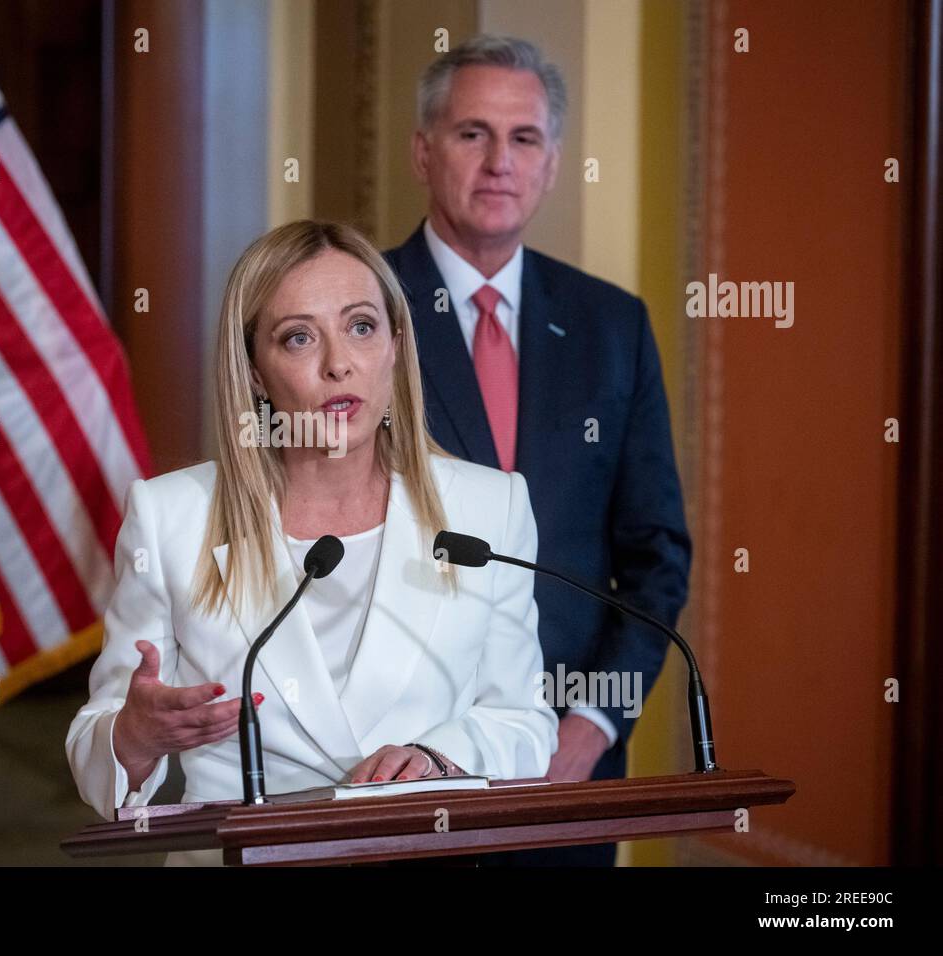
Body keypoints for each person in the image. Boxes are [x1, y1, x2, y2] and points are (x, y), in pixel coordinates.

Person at [66, 220, 558, 866]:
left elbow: (523, 722)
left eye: (361, 326)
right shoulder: (171, 517)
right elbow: (99, 757)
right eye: (298, 337)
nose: (338, 362)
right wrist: (134, 735)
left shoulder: (489, 507)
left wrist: (441, 755)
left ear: (395, 345)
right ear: (256, 374)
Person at [383, 34, 691, 866]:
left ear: (553, 163)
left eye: (523, 139)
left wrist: (591, 727)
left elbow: (654, 554)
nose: (498, 162)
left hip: (566, 775)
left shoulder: (612, 325)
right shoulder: (361, 310)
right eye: (471, 133)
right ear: (422, 150)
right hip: (397, 766)